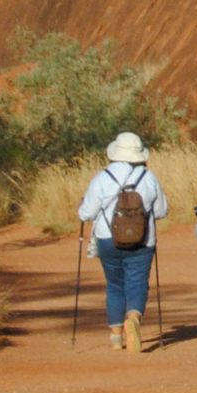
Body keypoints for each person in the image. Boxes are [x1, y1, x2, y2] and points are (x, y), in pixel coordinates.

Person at [77, 132, 168, 353]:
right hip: (143, 240)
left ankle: (116, 337)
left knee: (115, 285)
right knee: (137, 282)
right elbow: (161, 211)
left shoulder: (102, 177)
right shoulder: (148, 177)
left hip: (107, 239)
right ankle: (134, 319)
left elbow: (86, 213)